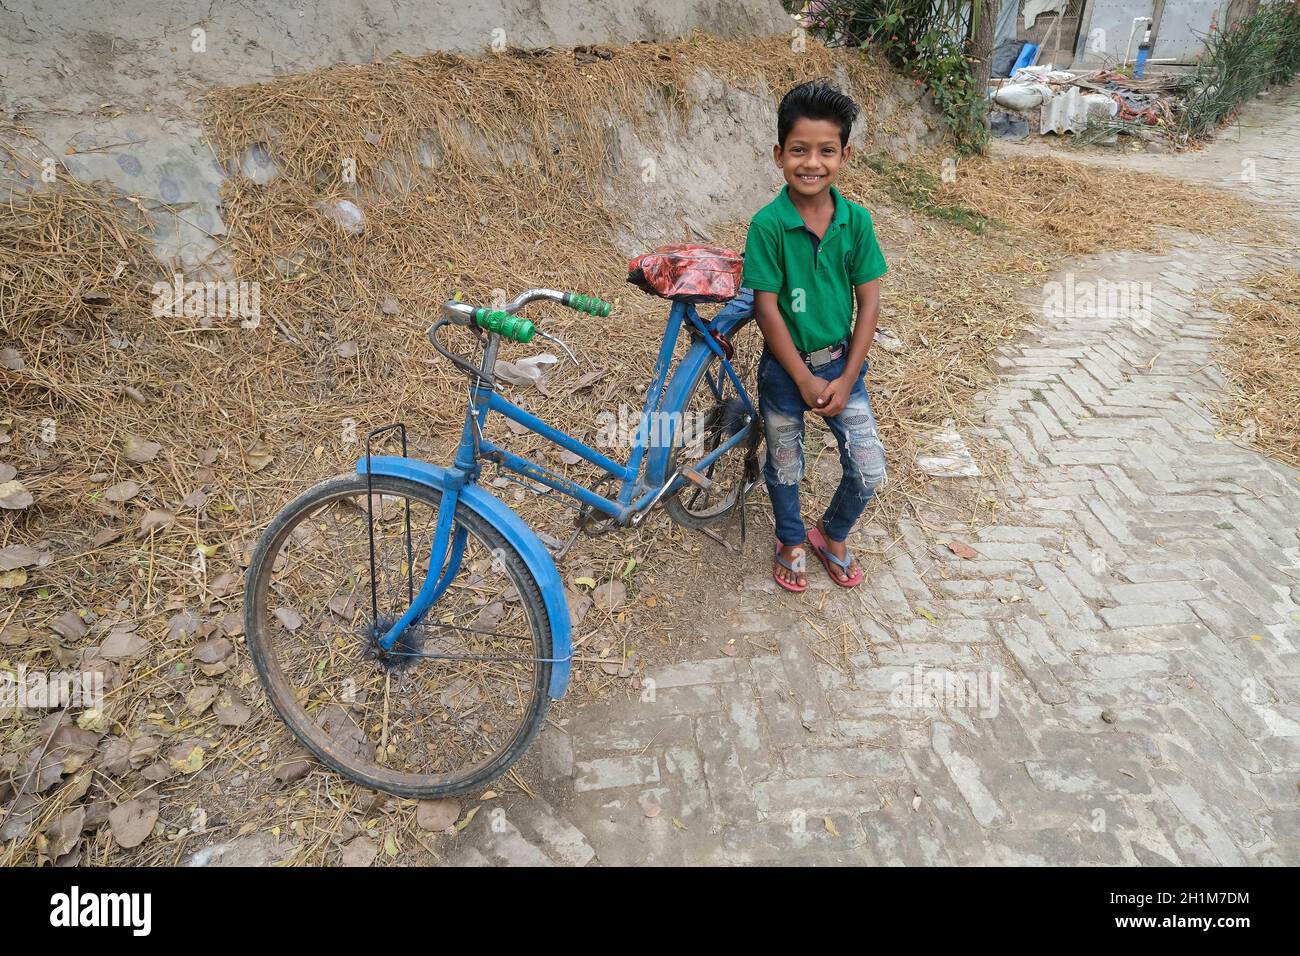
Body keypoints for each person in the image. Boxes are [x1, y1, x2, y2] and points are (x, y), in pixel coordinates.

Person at [741, 80, 888, 592]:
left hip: (843, 366)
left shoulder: (857, 222)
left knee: (869, 470)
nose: (812, 163)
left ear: (845, 155)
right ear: (779, 154)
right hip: (785, 372)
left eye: (827, 151)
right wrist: (802, 377)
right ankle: (789, 540)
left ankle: (830, 533)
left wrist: (847, 377)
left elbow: (868, 301)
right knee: (785, 465)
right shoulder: (767, 225)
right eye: (799, 150)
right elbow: (766, 308)